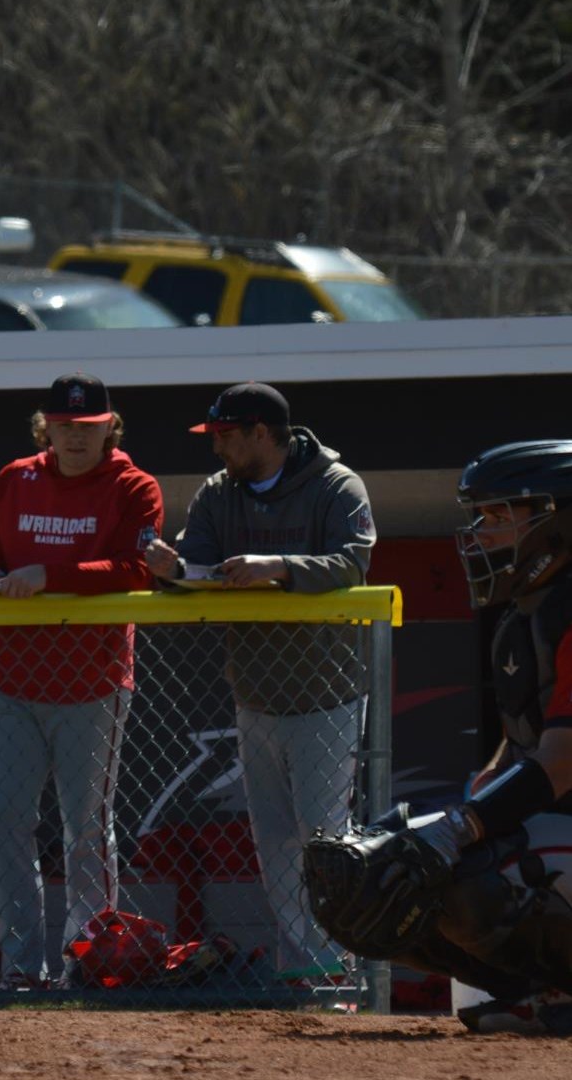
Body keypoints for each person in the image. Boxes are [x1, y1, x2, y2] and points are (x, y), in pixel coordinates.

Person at [314, 439, 572, 1034]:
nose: (481, 532)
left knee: (475, 870)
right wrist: (461, 811)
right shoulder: (531, 615)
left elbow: (560, 765)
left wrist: (460, 829)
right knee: (376, 871)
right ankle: (535, 992)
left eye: (497, 515)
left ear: (555, 520)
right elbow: (524, 744)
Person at [144, 381, 374, 979]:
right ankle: (301, 971)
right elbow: (197, 565)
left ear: (262, 434)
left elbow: (353, 564)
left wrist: (278, 567)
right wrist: (171, 569)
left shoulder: (335, 484)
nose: (216, 447)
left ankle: (338, 970)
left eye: (226, 435)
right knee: (273, 845)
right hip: (254, 691)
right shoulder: (218, 493)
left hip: (326, 693)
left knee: (325, 839)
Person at [0, 373, 163, 988]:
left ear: (109, 428)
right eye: (65, 425)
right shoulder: (15, 477)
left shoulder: (134, 484)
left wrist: (51, 573)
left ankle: (88, 961)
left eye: (88, 427)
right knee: (1, 822)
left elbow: (137, 568)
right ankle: (22, 966)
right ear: (45, 426)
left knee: (85, 831)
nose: (76, 437)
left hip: (93, 681)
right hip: (16, 679)